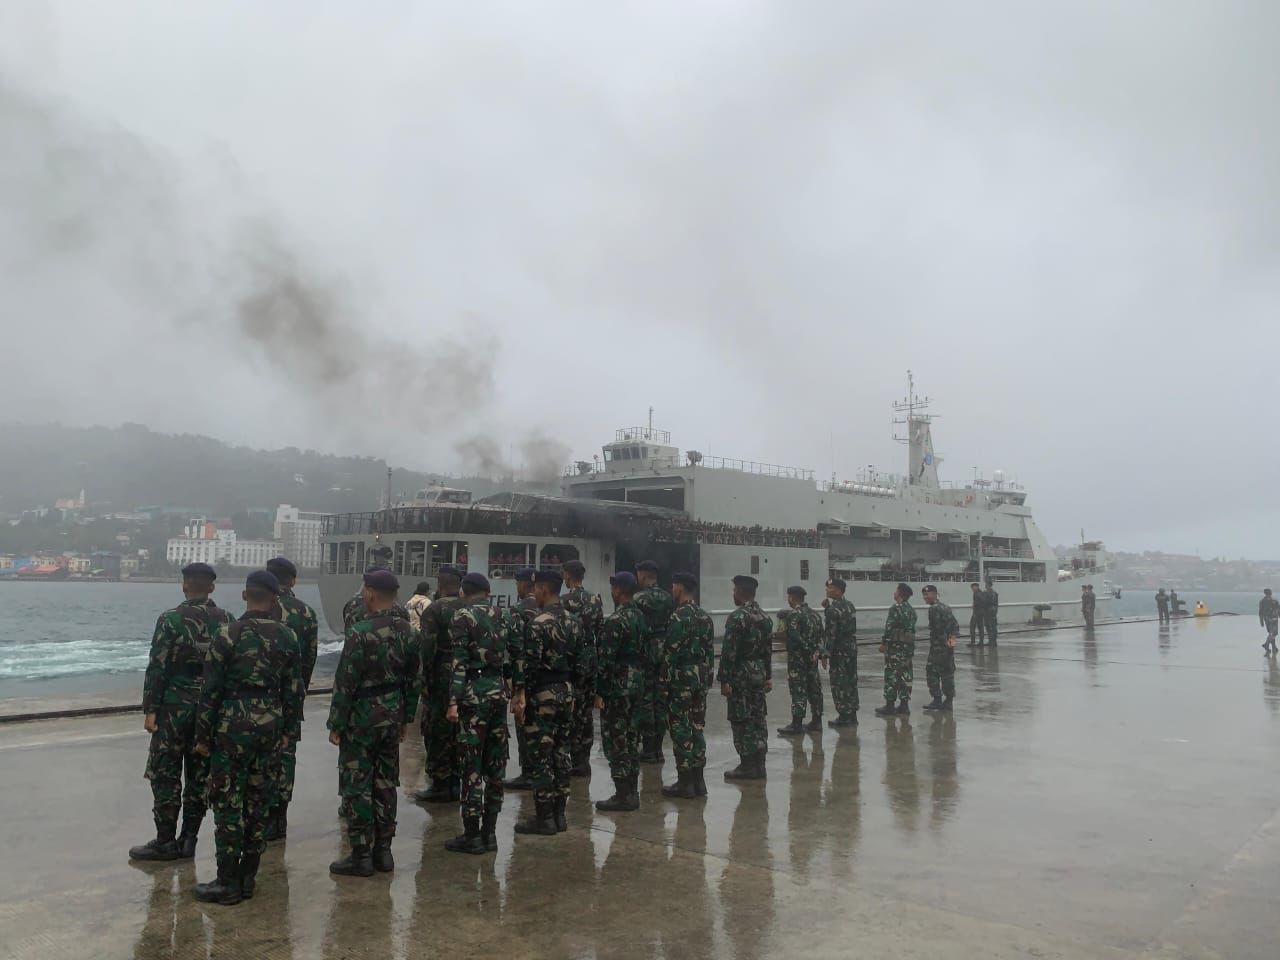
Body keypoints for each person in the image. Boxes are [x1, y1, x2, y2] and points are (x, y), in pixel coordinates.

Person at [191, 570, 303, 905]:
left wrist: (202, 736)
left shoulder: (228, 634)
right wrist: (288, 731)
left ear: (245, 595)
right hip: (270, 723)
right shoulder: (287, 636)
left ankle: (227, 881)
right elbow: (294, 691)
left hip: (232, 725)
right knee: (258, 802)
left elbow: (210, 690)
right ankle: (248, 878)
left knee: (228, 802)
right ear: (275, 598)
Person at [129, 562, 235, 862]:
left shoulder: (170, 620)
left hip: (174, 709)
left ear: (185, 585)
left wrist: (151, 709)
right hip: (209, 711)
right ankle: (189, 839)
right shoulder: (227, 620)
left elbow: (158, 666)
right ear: (211, 587)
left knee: (165, 774)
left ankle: (165, 841)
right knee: (199, 776)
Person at [327, 569, 422, 877]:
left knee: (357, 785)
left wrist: (336, 723)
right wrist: (406, 717)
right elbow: (414, 679)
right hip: (392, 715)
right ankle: (384, 851)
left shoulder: (360, 632)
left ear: (368, 593)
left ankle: (360, 854)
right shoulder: (408, 632)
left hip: (361, 718)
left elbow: (345, 682)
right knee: (385, 783)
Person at [512, 569, 582, 835]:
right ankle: (560, 815)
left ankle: (544, 818)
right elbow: (583, 663)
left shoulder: (537, 623)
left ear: (543, 588)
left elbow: (529, 666)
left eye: (536, 589)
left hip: (542, 694)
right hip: (567, 692)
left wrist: (522, 697)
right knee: (561, 753)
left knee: (541, 756)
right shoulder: (574, 622)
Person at [444, 573, 509, 854]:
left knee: (471, 765)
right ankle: (490, 833)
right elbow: (512, 656)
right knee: (496, 765)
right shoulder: (503, 615)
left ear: (463, 592)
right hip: (498, 692)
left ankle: (472, 835)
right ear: (488, 591)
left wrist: (453, 701)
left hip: (474, 695)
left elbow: (459, 662)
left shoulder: (462, 616)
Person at [259, 556, 318, 844]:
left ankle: (258, 813)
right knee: (285, 755)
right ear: (292, 580)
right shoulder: (305, 613)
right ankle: (278, 817)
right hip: (291, 696)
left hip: (258, 696)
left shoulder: (261, 605)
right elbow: (309, 659)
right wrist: (299, 691)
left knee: (258, 756)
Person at [594, 572, 649, 812]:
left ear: (618, 590)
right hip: (637, 682)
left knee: (616, 738)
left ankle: (622, 793)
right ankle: (632, 792)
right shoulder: (641, 617)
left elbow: (606, 660)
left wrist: (600, 691)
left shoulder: (615, 620)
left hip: (618, 685)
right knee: (632, 736)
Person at [660, 572, 715, 799]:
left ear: (680, 587)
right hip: (700, 676)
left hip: (681, 676)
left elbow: (670, 653)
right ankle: (698, 780)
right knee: (697, 726)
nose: (672, 590)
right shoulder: (704, 616)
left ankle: (685, 782)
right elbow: (710, 651)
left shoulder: (678, 617)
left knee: (680, 727)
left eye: (673, 586)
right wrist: (708, 678)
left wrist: (664, 685)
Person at [415, 566, 465, 803]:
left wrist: (423, 681)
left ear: (440, 584)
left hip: (440, 676)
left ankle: (440, 783)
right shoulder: (467, 607)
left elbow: (427, 649)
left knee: (437, 728)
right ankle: (457, 780)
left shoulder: (434, 610)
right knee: (459, 730)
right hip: (464, 674)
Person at [718, 575, 774, 781]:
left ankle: (747, 765)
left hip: (741, 674)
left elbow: (729, 652)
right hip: (758, 673)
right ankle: (760, 765)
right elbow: (768, 650)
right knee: (758, 717)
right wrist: (768, 676)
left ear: (741, 592)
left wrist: (724, 679)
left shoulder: (737, 617)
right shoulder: (765, 617)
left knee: (741, 718)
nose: (733, 594)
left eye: (734, 590)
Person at [562, 558, 604, 777]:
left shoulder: (565, 601)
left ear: (568, 575)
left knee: (573, 709)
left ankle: (576, 759)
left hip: (573, 657)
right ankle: (584, 758)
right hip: (591, 656)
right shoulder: (595, 600)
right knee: (587, 710)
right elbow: (600, 629)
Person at [633, 560, 675, 763]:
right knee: (661, 700)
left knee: (646, 700)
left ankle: (649, 749)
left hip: (647, 651)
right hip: (664, 649)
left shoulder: (639, 598)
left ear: (643, 575)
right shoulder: (668, 597)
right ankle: (658, 748)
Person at [502, 568, 540, 790]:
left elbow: (515, 648)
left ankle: (528, 772)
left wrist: (516, 685)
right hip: (548, 676)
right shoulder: (548, 606)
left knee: (524, 723)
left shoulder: (518, 609)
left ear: (524, 584)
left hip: (526, 676)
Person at [776, 585, 824, 736]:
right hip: (812, 659)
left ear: (791, 597)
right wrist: (816, 652)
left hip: (798, 659)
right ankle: (816, 721)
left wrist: (805, 649)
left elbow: (794, 637)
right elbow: (821, 636)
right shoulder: (815, 615)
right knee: (814, 689)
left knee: (798, 690)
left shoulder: (794, 615)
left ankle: (796, 724)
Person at [875, 582, 918, 717]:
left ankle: (890, 706)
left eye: (896, 591)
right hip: (907, 648)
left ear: (899, 593)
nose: (894, 593)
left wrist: (883, 643)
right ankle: (904, 705)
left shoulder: (895, 608)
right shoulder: (911, 610)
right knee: (905, 675)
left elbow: (889, 627)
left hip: (895, 648)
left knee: (891, 675)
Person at [822, 578, 858, 727]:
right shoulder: (850, 605)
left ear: (838, 590)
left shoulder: (833, 610)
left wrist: (825, 653)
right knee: (851, 680)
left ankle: (844, 716)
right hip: (851, 648)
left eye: (830, 588)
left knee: (839, 682)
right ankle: (852, 714)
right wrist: (827, 609)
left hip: (839, 651)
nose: (827, 590)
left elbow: (831, 634)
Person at [921, 585, 959, 711]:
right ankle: (948, 701)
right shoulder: (946, 607)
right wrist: (951, 640)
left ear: (934, 594)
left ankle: (937, 700)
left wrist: (944, 642)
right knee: (947, 674)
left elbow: (938, 630)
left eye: (927, 595)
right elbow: (955, 625)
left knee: (932, 672)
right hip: (948, 647)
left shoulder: (934, 609)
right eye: (924, 595)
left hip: (938, 648)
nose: (925, 597)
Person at [1260, 589, 1279, 654]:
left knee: (1273, 633)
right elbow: (1261, 612)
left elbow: (1278, 609)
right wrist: (1261, 621)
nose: (1270, 593)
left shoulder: (1274, 600)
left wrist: (1261, 621)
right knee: (1272, 633)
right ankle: (1267, 644)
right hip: (1270, 619)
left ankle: (1271, 646)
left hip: (1273, 619)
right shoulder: (1263, 601)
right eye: (1269, 592)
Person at [982, 579, 999, 645]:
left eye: (986, 584)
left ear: (988, 585)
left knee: (988, 626)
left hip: (987, 611)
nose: (985, 585)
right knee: (994, 626)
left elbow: (984, 602)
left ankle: (991, 641)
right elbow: (997, 604)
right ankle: (994, 641)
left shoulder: (985, 593)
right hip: (993, 611)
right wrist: (996, 610)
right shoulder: (995, 593)